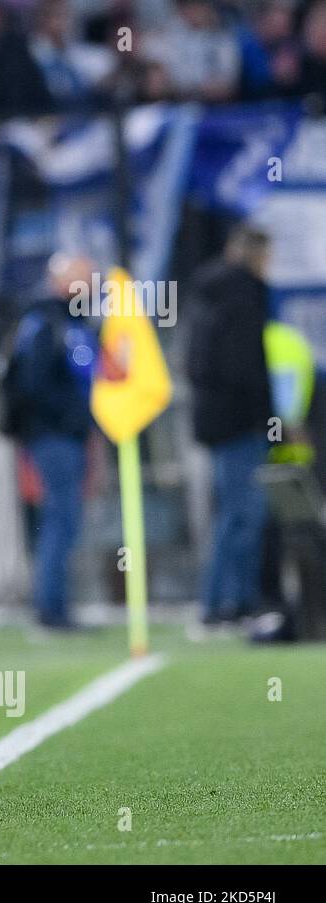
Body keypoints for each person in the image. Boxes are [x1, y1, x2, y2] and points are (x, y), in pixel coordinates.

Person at [186, 225, 274, 626]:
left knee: (232, 514)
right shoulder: (241, 295)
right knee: (243, 516)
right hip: (240, 423)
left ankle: (224, 602)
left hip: (217, 423)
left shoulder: (207, 294)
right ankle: (228, 603)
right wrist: (265, 417)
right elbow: (245, 369)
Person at [10, 254, 98, 630]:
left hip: (67, 435)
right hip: (53, 437)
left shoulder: (71, 322)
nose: (90, 288)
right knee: (59, 520)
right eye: (83, 280)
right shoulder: (45, 322)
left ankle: (55, 605)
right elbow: (33, 384)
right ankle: (50, 609)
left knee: (65, 520)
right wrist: (67, 418)